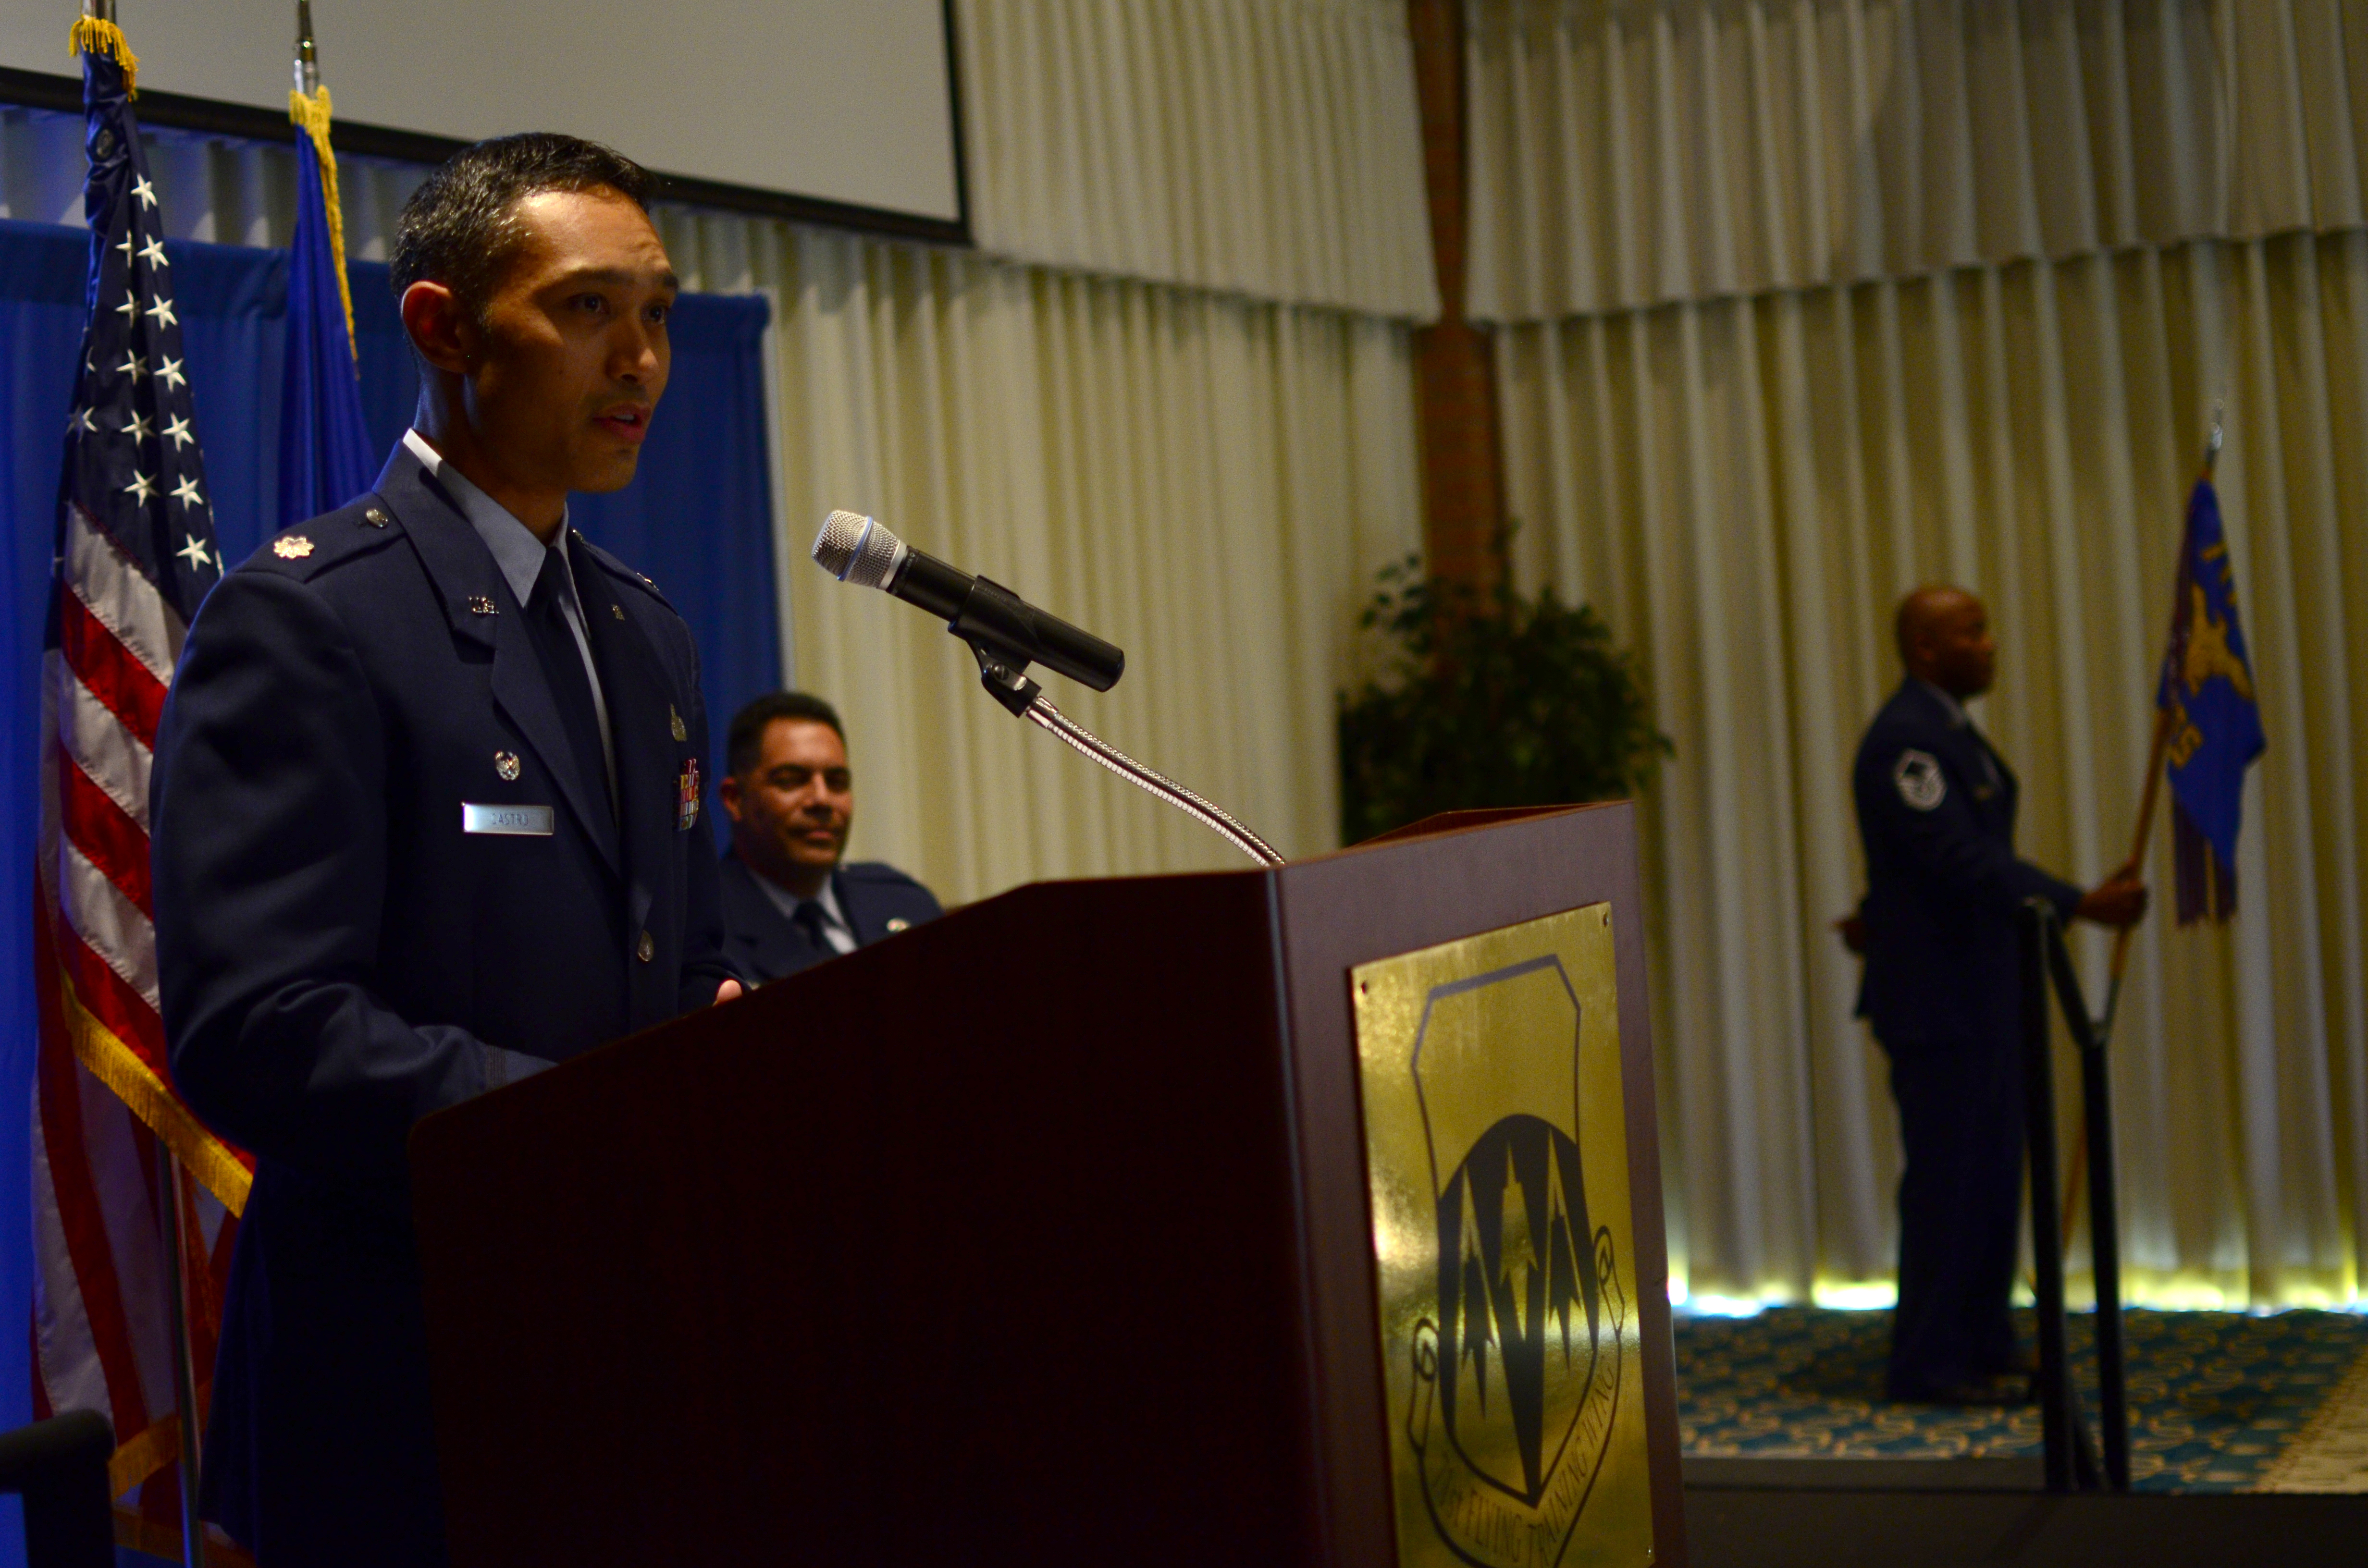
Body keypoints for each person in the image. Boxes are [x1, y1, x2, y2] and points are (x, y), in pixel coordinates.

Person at [152, 134, 741, 1566]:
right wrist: (581, 1135)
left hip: (628, 1374)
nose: (641, 360)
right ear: (441, 325)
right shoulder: (311, 619)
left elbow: (690, 968)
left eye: (657, 312)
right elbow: (258, 1027)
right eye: (589, 309)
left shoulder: (644, 632)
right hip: (396, 1391)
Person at [1849, 585, 2146, 1405]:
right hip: (1940, 1005)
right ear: (1925, 650)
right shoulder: (1905, 743)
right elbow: (1957, 860)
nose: (1989, 641)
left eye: (1984, 624)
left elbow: (1921, 866)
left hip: (1979, 994)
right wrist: (2079, 900)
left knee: (1990, 1174)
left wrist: (1879, 912)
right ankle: (1928, 1361)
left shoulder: (1949, 732)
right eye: (1970, 631)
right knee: (1949, 1181)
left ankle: (1981, 1336)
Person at [715, 692, 942, 981]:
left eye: (837, 782)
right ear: (734, 799)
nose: (822, 800)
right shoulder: (703, 929)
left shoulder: (903, 901)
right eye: (791, 780)